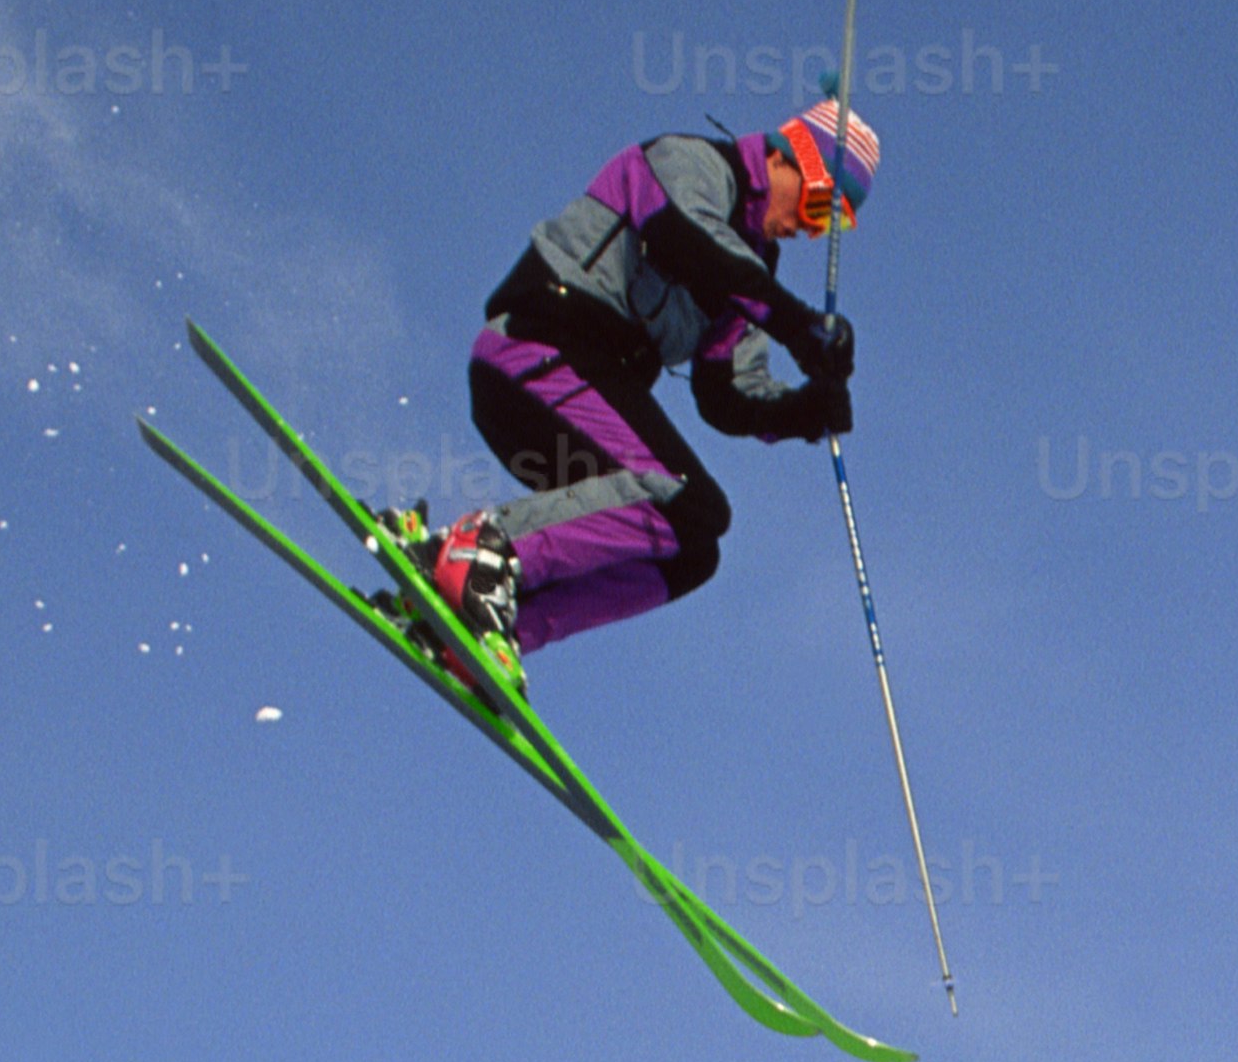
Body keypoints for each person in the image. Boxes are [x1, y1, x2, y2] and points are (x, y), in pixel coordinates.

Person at [373, 100, 877, 689]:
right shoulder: (690, 164)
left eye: (828, 225)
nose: (808, 229)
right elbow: (688, 240)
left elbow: (726, 395)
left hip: (584, 403)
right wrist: (798, 325)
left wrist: (805, 410)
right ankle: (483, 548)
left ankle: (480, 630)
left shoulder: (752, 271)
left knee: (692, 550)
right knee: (692, 503)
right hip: (542, 347)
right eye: (817, 206)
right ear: (785, 156)